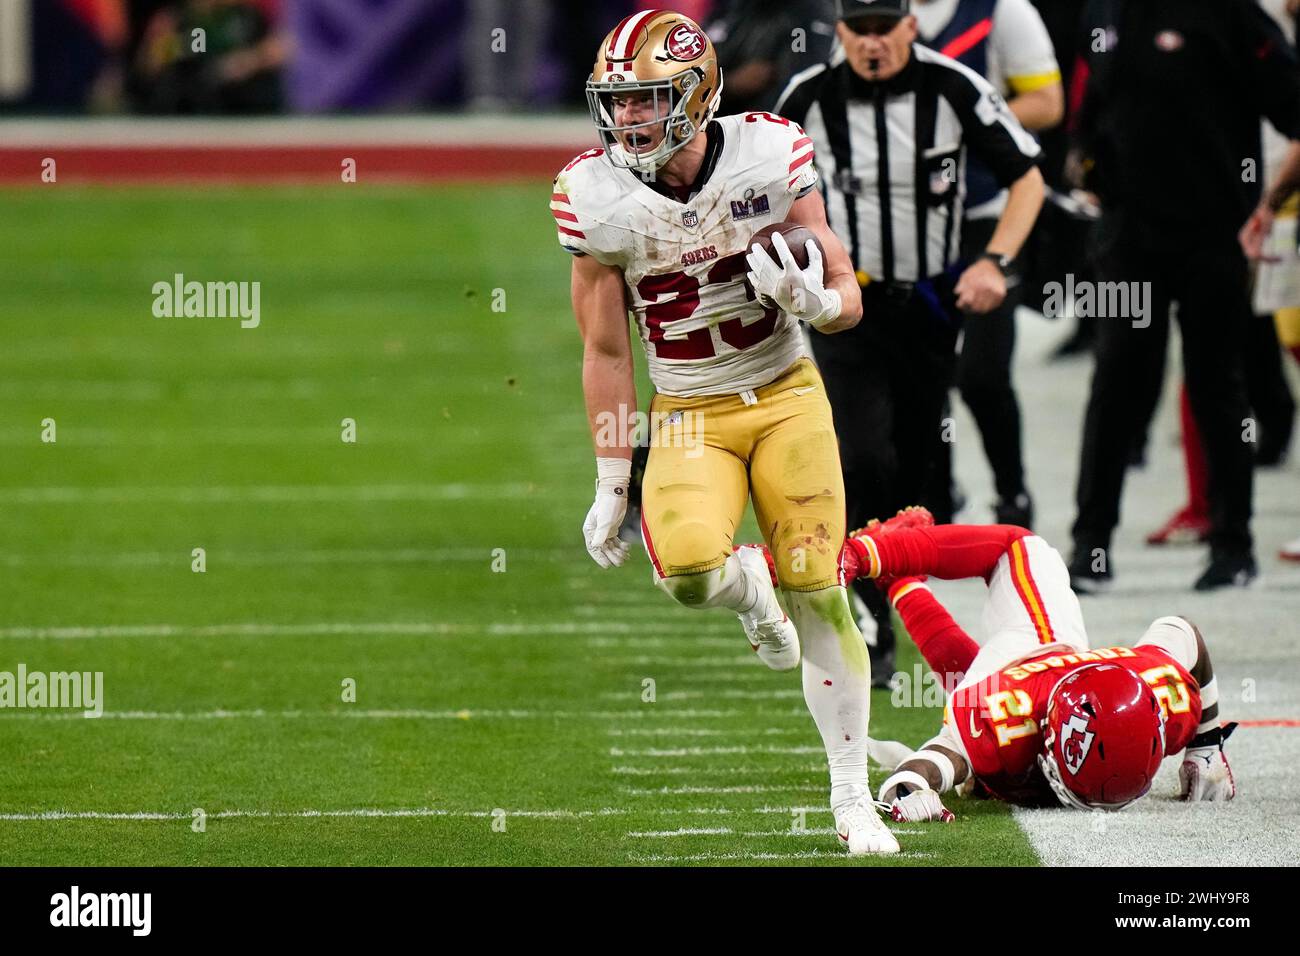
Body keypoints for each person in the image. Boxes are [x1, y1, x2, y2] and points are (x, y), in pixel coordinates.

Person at [555, 9, 898, 854]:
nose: (628, 118)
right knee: (690, 575)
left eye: (647, 100)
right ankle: (750, 588)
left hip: (785, 391)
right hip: (690, 413)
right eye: (619, 102)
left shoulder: (769, 153)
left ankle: (851, 796)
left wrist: (818, 305)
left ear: (698, 94)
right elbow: (604, 348)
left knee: (819, 581)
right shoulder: (591, 195)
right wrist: (609, 477)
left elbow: (845, 286)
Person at [775, 0, 1044, 684]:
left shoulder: (955, 86)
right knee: (861, 456)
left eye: (883, 28)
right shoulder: (806, 98)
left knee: (920, 475)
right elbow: (760, 194)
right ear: (839, 32)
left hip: (927, 305)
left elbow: (1027, 178)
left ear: (910, 25)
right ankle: (870, 626)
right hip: (846, 306)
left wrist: (997, 262)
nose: (871, 43)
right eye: (857, 29)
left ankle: (909, 612)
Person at [738, 509, 1238, 817]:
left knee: (968, 694)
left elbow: (1184, 632)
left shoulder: (1160, 693)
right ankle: (863, 555)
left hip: (1047, 672)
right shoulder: (1000, 715)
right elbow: (931, 765)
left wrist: (1205, 746)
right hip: (1034, 642)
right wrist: (910, 791)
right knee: (1026, 548)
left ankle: (901, 583)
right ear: (1047, 732)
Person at [1067, 0, 1300, 593]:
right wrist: (1084, 163)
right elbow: (1094, 106)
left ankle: (1233, 546)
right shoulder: (1111, 13)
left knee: (1217, 386)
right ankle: (1090, 546)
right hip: (1128, 240)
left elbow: (1293, 104)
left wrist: (1269, 203)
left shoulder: (1235, 16)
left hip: (1214, 238)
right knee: (1116, 383)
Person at [914, 0, 1064, 529]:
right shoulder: (875, 18)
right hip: (909, 223)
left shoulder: (1002, 11)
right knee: (922, 373)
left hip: (989, 215)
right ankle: (934, 501)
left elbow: (1048, 102)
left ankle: (1013, 494)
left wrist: (963, 119)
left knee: (982, 373)